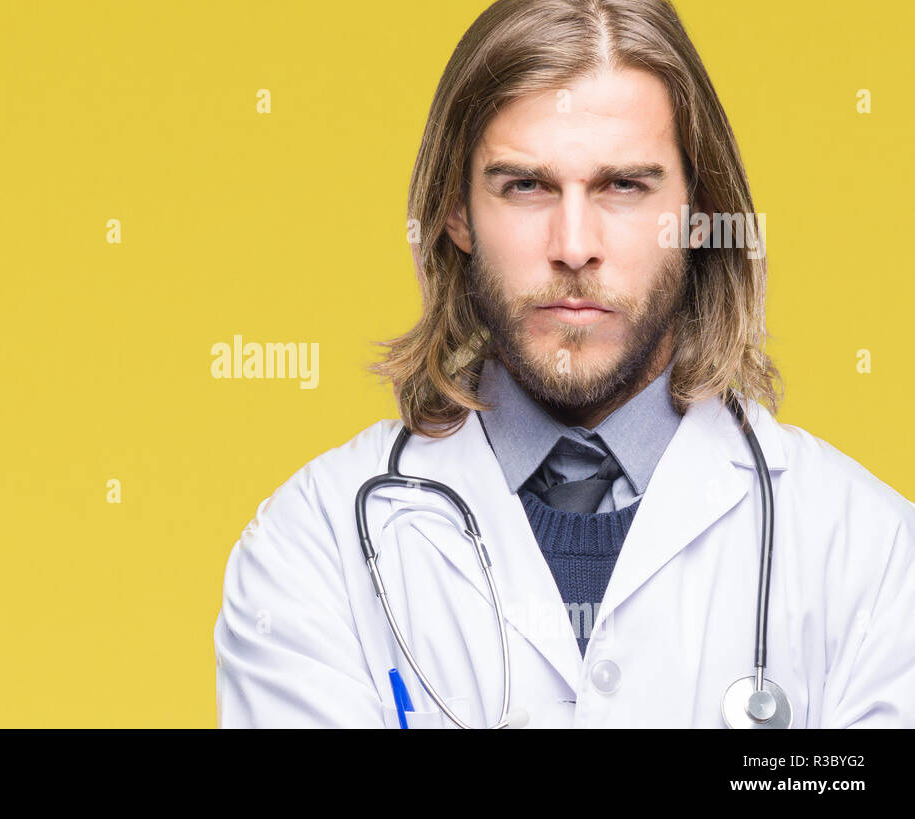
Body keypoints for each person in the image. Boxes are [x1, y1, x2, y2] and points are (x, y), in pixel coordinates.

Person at [211, 0, 915, 728]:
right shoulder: (313, 546)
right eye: (526, 185)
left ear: (700, 214)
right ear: (456, 211)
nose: (574, 245)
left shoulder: (873, 556)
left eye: (623, 185)